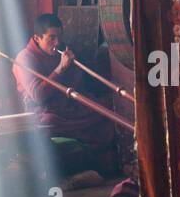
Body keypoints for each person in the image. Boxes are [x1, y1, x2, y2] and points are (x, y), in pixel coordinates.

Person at [14, 13, 116, 175]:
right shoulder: (25, 58)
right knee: (49, 122)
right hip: (45, 112)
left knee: (106, 108)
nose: (57, 43)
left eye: (60, 37)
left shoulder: (61, 51)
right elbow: (38, 95)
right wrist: (60, 69)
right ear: (37, 38)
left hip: (68, 107)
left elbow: (77, 85)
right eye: (51, 38)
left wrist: (73, 67)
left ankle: (100, 167)